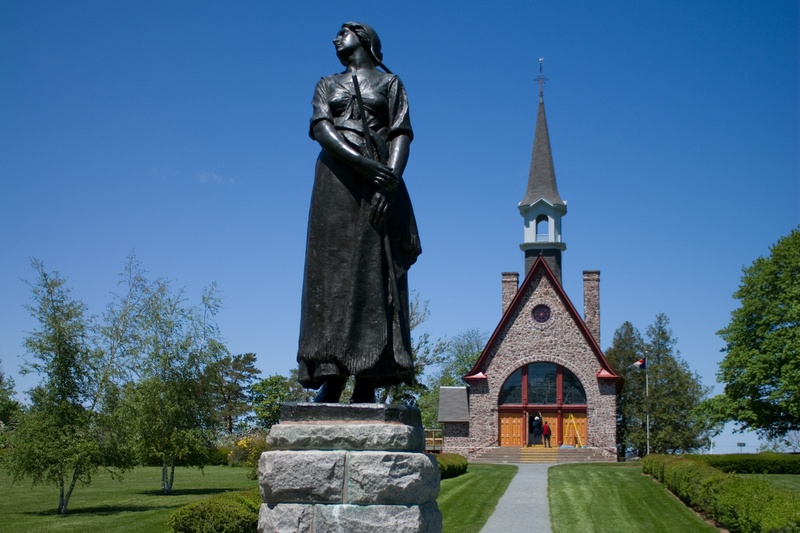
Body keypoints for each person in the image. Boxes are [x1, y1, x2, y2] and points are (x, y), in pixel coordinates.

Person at [297, 22, 421, 404]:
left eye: (344, 32)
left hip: (379, 184)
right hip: (335, 181)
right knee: (328, 273)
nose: (335, 38)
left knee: (373, 272)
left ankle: (369, 376)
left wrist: (391, 182)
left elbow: (400, 132)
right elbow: (321, 128)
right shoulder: (326, 84)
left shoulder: (390, 84)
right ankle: (330, 375)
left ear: (365, 41)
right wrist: (365, 166)